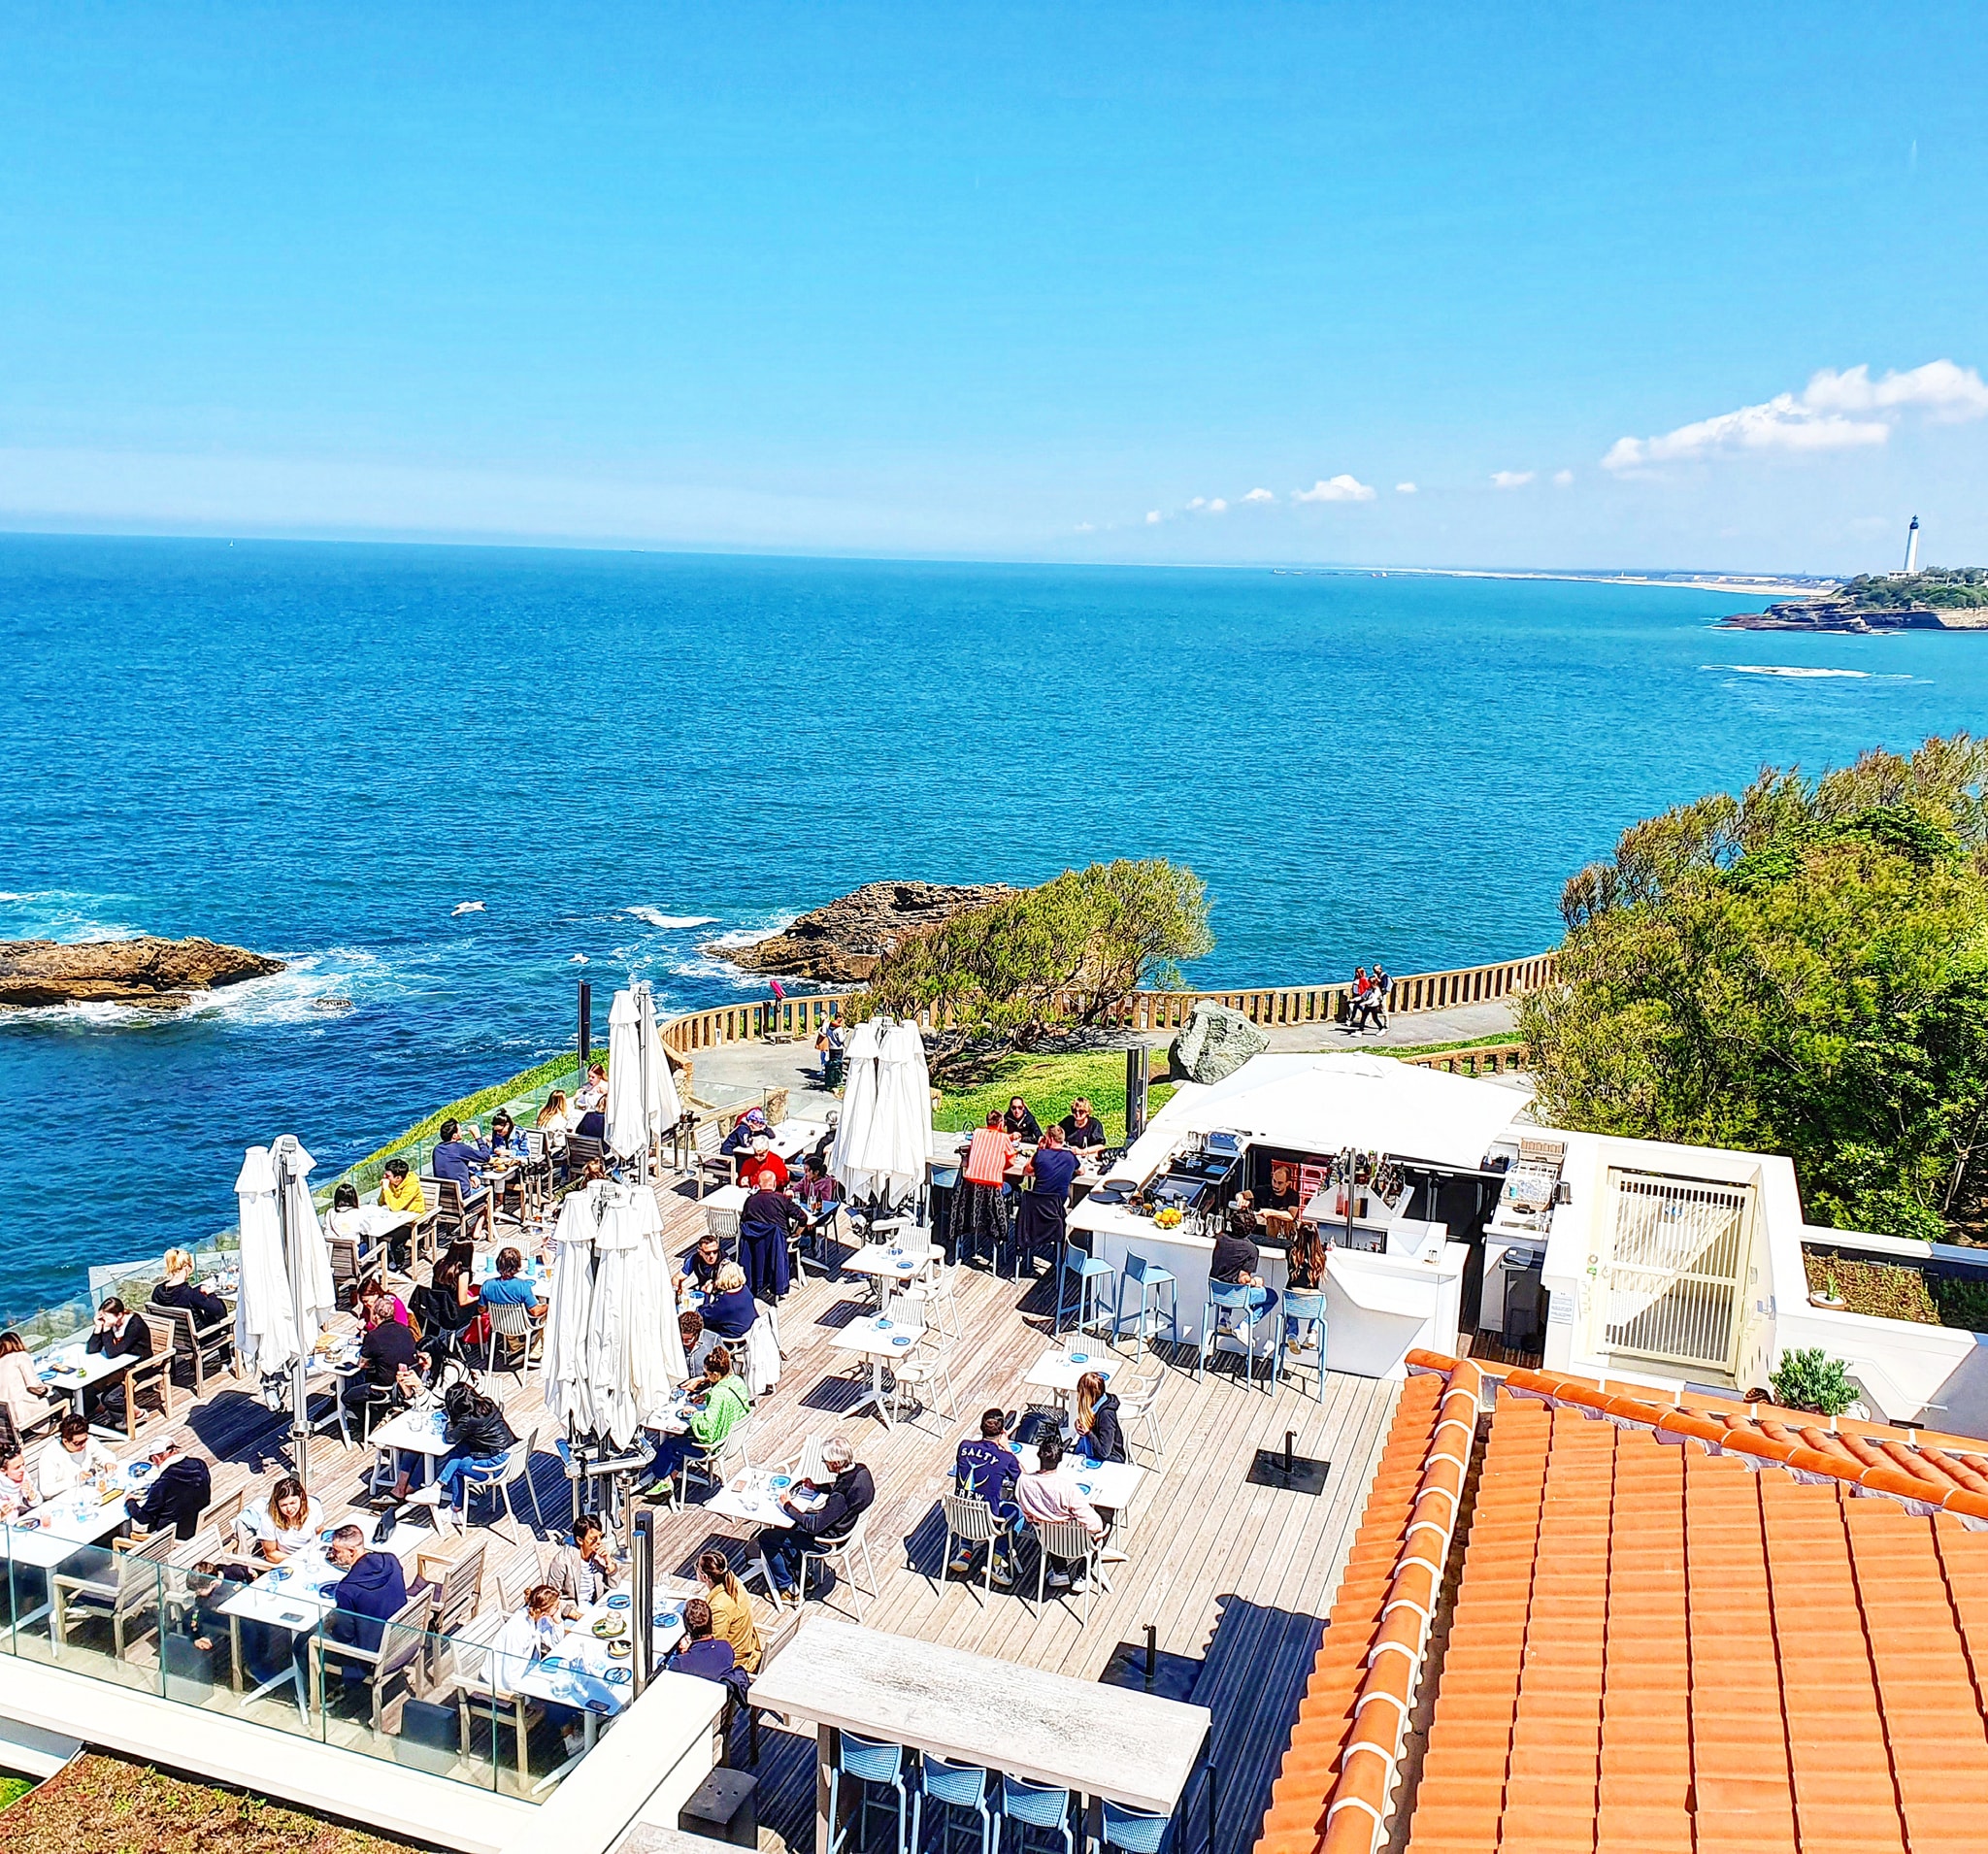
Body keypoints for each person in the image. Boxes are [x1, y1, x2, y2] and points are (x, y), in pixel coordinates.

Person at [755, 1437, 874, 1597]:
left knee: (767, 1537)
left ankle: (787, 1588)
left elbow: (814, 1526)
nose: (824, 1464)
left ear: (836, 1464)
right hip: (849, 1529)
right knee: (789, 1527)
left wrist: (787, 1505)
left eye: (826, 1462)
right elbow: (838, 1486)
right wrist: (818, 1487)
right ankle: (803, 1576)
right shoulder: (861, 1471)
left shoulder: (839, 1497)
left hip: (829, 1541)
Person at [313, 1524, 410, 1702]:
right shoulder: (391, 1561)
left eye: (336, 1551)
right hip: (404, 1639)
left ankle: (322, 1692)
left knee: (306, 1642)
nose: (333, 1555)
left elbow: (345, 1634)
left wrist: (328, 1624)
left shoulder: (347, 1589)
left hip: (373, 1653)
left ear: (351, 1551)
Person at [486, 1584, 586, 1757]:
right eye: (556, 1606)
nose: (559, 1608)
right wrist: (535, 1686)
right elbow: (511, 1675)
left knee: (567, 1673)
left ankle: (579, 1718)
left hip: (527, 1671)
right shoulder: (519, 1630)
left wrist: (556, 1621)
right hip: (506, 1684)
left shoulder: (538, 1618)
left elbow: (555, 1643)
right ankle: (569, 1739)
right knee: (555, 1691)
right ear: (544, 1609)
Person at [646, 1345, 751, 1495]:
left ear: (715, 1374)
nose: (706, 1377)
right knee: (680, 1438)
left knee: (669, 1446)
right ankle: (671, 1476)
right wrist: (707, 1396)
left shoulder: (718, 1395)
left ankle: (661, 1477)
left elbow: (706, 1429)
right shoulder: (736, 1382)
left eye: (707, 1374)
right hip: (731, 1439)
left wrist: (693, 1413)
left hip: (713, 1447)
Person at [1014, 1431, 1105, 1591]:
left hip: (1047, 1538)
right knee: (1105, 1518)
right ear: (1060, 1459)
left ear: (1039, 1455)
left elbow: (1026, 1512)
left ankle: (1059, 1570)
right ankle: (1083, 1573)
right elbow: (1094, 1524)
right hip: (1077, 1542)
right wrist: (1099, 1531)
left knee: (1051, 1524)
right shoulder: (1067, 1488)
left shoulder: (1023, 1482)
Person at [951, 1408, 1023, 1584]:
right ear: (1003, 1432)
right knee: (1017, 1511)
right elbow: (1023, 1480)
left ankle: (965, 1552)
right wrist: (1006, 1447)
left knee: (970, 1499)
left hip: (959, 1518)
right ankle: (996, 1562)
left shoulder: (964, 1446)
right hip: (988, 1522)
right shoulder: (1006, 1458)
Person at [435, 1380, 518, 1511]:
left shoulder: (468, 1421)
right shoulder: (488, 1403)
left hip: (498, 1466)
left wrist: (450, 1421)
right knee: (461, 1448)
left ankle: (456, 1508)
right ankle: (437, 1485)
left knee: (459, 1466)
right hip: (513, 1453)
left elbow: (449, 1438)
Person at [1014, 1123, 1081, 1273]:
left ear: (1049, 1139)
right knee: (1067, 1201)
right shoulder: (1070, 1156)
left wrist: (1039, 1150)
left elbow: (1026, 1171)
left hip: (1033, 1209)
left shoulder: (1040, 1155)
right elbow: (1081, 1171)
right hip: (1055, 1209)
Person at [953, 1110, 1013, 1268]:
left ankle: (966, 1237)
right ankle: (1000, 1234)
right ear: (1001, 1124)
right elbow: (1012, 1160)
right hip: (992, 1188)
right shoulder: (1003, 1138)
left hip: (970, 1187)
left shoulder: (977, 1133)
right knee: (1011, 1189)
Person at [125, 1431, 212, 1540]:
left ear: (156, 1458)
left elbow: (143, 1518)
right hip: (197, 1524)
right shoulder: (200, 1465)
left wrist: (130, 1502)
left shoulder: (163, 1482)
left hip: (172, 1536)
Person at [83, 1296, 154, 1424]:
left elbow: (112, 1352)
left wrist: (107, 1329)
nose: (106, 1321)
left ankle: (137, 1413)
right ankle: (100, 1413)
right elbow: (92, 1349)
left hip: (138, 1368)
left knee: (110, 1398)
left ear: (120, 1315)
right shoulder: (112, 1324)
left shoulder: (134, 1325)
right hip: (117, 1367)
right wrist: (98, 1327)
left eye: (108, 1318)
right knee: (86, 1391)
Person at [347, 1299, 421, 1415]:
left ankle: (366, 1422)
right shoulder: (405, 1330)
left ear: (375, 1317)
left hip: (385, 1388)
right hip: (407, 1380)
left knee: (347, 1396)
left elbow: (361, 1364)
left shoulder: (373, 1336)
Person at [695, 1548, 761, 1673]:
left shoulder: (719, 1607)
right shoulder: (734, 1583)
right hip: (746, 1646)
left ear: (705, 1577)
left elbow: (714, 1645)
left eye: (696, 1567)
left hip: (735, 1662)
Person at [547, 1513, 622, 1614]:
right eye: (594, 1539)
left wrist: (608, 1561)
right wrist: (575, 1615)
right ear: (580, 1540)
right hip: (573, 1610)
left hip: (595, 1604)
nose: (599, 1542)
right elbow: (551, 1599)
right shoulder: (562, 1562)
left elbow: (614, 1585)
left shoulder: (598, 1557)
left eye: (601, 1537)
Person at [738, 1183, 799, 1305]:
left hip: (754, 1245)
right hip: (777, 1247)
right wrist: (797, 1233)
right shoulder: (782, 1199)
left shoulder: (750, 1201)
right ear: (775, 1184)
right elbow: (802, 1218)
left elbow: (743, 1221)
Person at [247, 1475, 324, 1563]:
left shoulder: (314, 1506)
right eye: (284, 1505)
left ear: (301, 1497)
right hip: (289, 1559)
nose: (289, 1509)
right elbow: (271, 1554)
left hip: (314, 1553)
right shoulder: (268, 1519)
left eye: (293, 1503)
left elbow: (320, 1533)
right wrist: (300, 1560)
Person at [36, 1413, 116, 1497]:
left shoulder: (88, 1442)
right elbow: (46, 1490)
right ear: (65, 1441)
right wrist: (75, 1480)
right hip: (60, 1497)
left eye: (85, 1440)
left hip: (84, 1491)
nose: (83, 1445)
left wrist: (108, 1463)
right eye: (78, 1443)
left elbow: (105, 1455)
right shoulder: (51, 1454)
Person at [667, 1598, 740, 1688]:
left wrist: (682, 1653)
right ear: (711, 1622)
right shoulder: (725, 1648)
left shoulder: (680, 1663)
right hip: (719, 1697)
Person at [153, 1248, 228, 1329]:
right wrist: (210, 1293)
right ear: (186, 1267)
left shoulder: (158, 1292)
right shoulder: (190, 1294)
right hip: (201, 1338)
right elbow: (220, 1310)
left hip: (172, 1337)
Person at [0, 1332, 51, 1440]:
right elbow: (33, 1386)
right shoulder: (20, 1356)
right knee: (63, 1393)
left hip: (8, 1421)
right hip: (25, 1415)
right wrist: (46, 1389)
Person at [479, 1247, 547, 1324]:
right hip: (520, 1325)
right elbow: (535, 1311)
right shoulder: (523, 1286)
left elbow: (481, 1309)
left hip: (497, 1324)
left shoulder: (487, 1285)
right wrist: (547, 1306)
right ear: (518, 1266)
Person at [1071, 1372, 1125, 1466]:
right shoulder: (1096, 1405)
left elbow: (1104, 1452)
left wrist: (1088, 1433)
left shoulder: (1106, 1415)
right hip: (1092, 1451)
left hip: (1110, 1460)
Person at [699, 1263, 757, 1341]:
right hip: (749, 1332)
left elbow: (704, 1316)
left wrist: (707, 1294)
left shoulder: (724, 1300)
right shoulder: (745, 1290)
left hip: (732, 1338)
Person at [431, 1117, 493, 1190]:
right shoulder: (459, 1148)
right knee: (487, 1189)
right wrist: (478, 1138)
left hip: (443, 1194)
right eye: (460, 1130)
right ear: (454, 1135)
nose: (462, 1132)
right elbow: (485, 1157)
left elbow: (450, 1170)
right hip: (462, 1195)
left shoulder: (437, 1149)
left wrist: (470, 1175)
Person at [678, 1231, 725, 1300]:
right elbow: (677, 1279)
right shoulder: (694, 1260)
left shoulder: (725, 1260)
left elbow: (730, 1282)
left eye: (715, 1252)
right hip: (702, 1294)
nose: (712, 1255)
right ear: (700, 1252)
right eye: (707, 1253)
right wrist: (681, 1288)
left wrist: (713, 1284)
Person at [0, 1445, 39, 1522]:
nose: (23, 1469)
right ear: (3, 1471)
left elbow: (37, 1503)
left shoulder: (24, 1477)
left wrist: (31, 1496)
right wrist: (2, 1515)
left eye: (23, 1464)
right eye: (17, 1468)